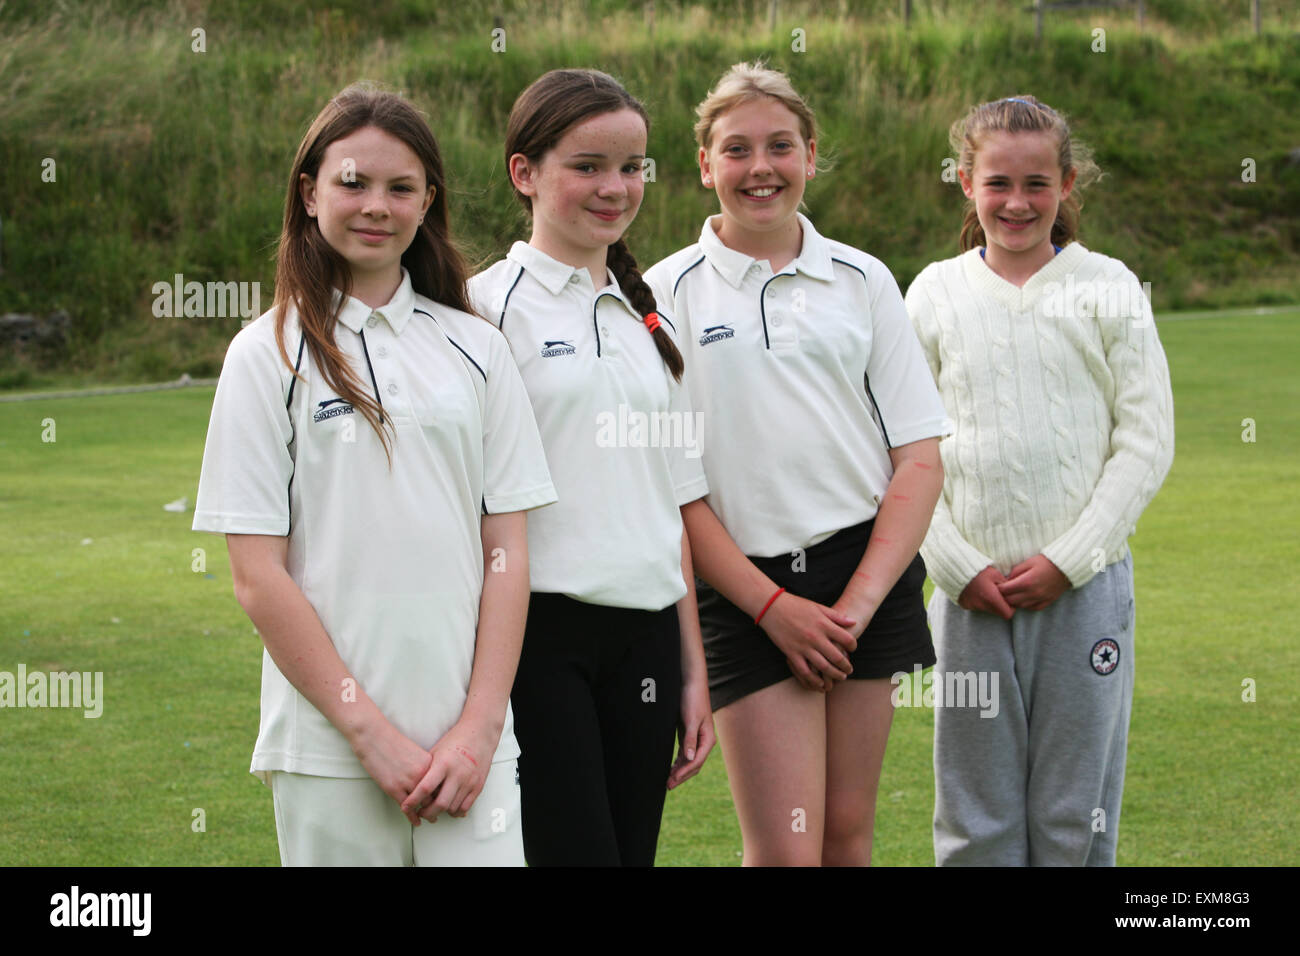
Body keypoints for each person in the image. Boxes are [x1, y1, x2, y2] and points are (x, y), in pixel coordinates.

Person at [192, 83, 556, 866]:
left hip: (472, 756)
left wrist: (480, 728)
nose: (375, 206)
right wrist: (370, 734)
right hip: (329, 753)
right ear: (310, 192)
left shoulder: (477, 348)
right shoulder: (266, 355)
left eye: (401, 188)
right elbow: (259, 577)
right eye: (352, 182)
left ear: (428, 202)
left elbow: (509, 552)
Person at [643, 62, 950, 866]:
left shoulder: (863, 278)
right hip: (742, 588)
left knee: (846, 835)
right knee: (785, 848)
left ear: (811, 154)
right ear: (705, 165)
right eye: (736, 150)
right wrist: (773, 606)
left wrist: (854, 604)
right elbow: (676, 487)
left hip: (864, 581)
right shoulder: (661, 293)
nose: (761, 168)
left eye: (781, 145)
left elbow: (918, 456)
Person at [905, 94, 1174, 866]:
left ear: (1066, 184)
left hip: (1084, 592)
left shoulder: (1109, 285)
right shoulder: (931, 294)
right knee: (975, 817)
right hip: (969, 598)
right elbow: (901, 452)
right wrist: (955, 566)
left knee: (1072, 816)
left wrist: (1072, 558)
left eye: (1036, 184)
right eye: (997, 183)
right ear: (965, 181)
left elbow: (1146, 440)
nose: (1016, 203)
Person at [467, 69, 715, 867]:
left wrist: (691, 669)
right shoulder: (479, 312)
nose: (615, 187)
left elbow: (672, 502)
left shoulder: (654, 318)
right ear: (524, 172)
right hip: (539, 634)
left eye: (633, 166)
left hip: (645, 638)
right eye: (588, 166)